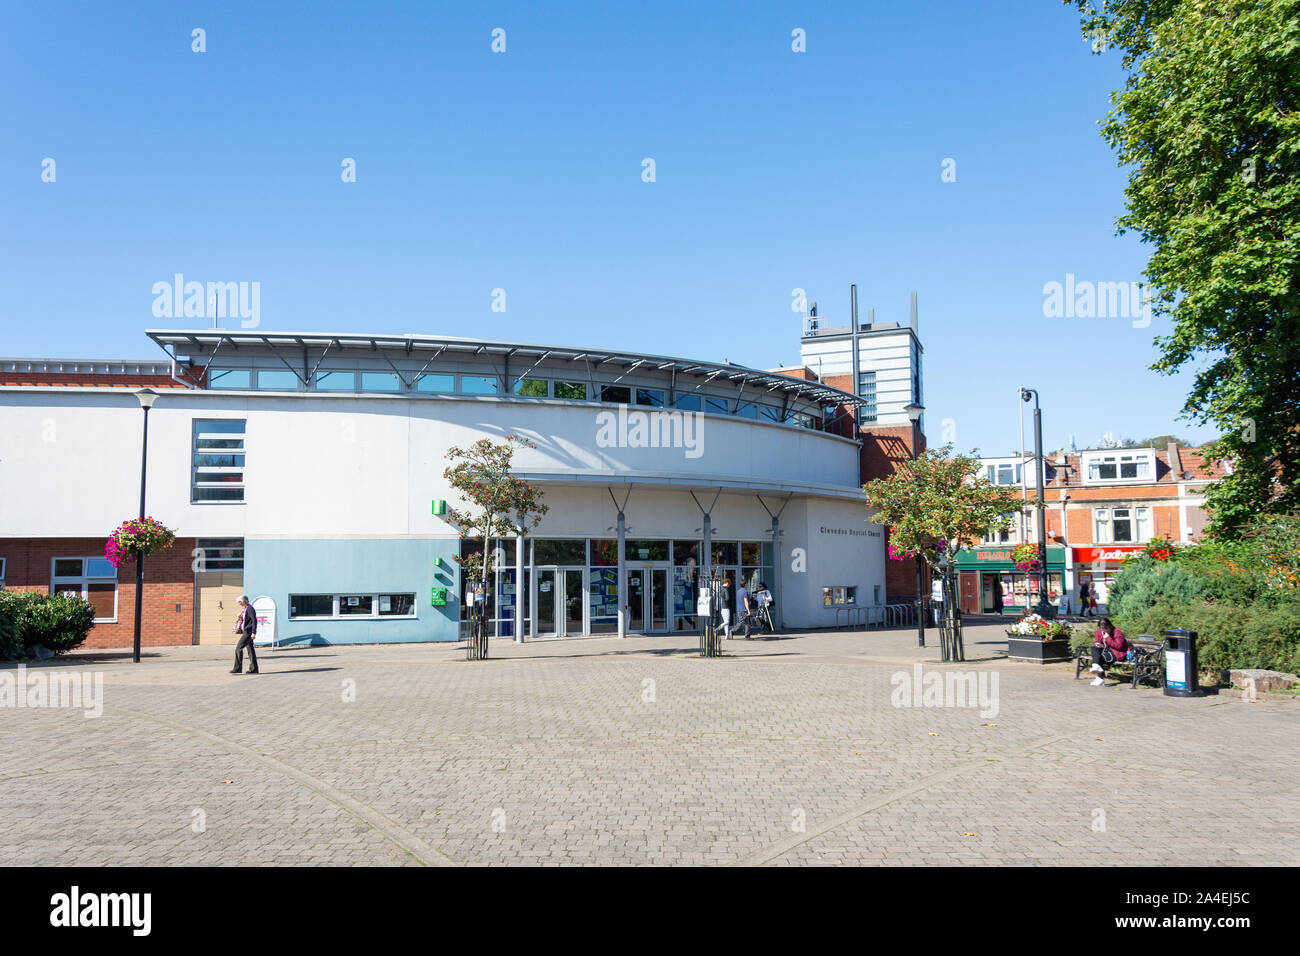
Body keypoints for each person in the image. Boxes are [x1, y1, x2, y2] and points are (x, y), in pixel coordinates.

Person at [1088, 616, 1130, 686]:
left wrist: (1108, 638)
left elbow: (1118, 646)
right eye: (1102, 629)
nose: (1104, 631)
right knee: (1094, 649)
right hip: (1107, 650)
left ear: (1110, 626)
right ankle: (1095, 666)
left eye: (1106, 629)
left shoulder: (1117, 632)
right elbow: (1097, 641)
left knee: (1099, 657)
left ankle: (1100, 678)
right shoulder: (1100, 631)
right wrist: (1098, 644)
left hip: (1117, 653)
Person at [231, 596, 259, 674]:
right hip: (246, 631)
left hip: (248, 632)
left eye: (239, 602)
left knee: (238, 648)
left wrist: (253, 632)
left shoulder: (250, 608)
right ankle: (254, 669)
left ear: (243, 601)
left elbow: (254, 621)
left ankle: (237, 668)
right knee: (250, 650)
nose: (238, 604)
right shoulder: (245, 609)